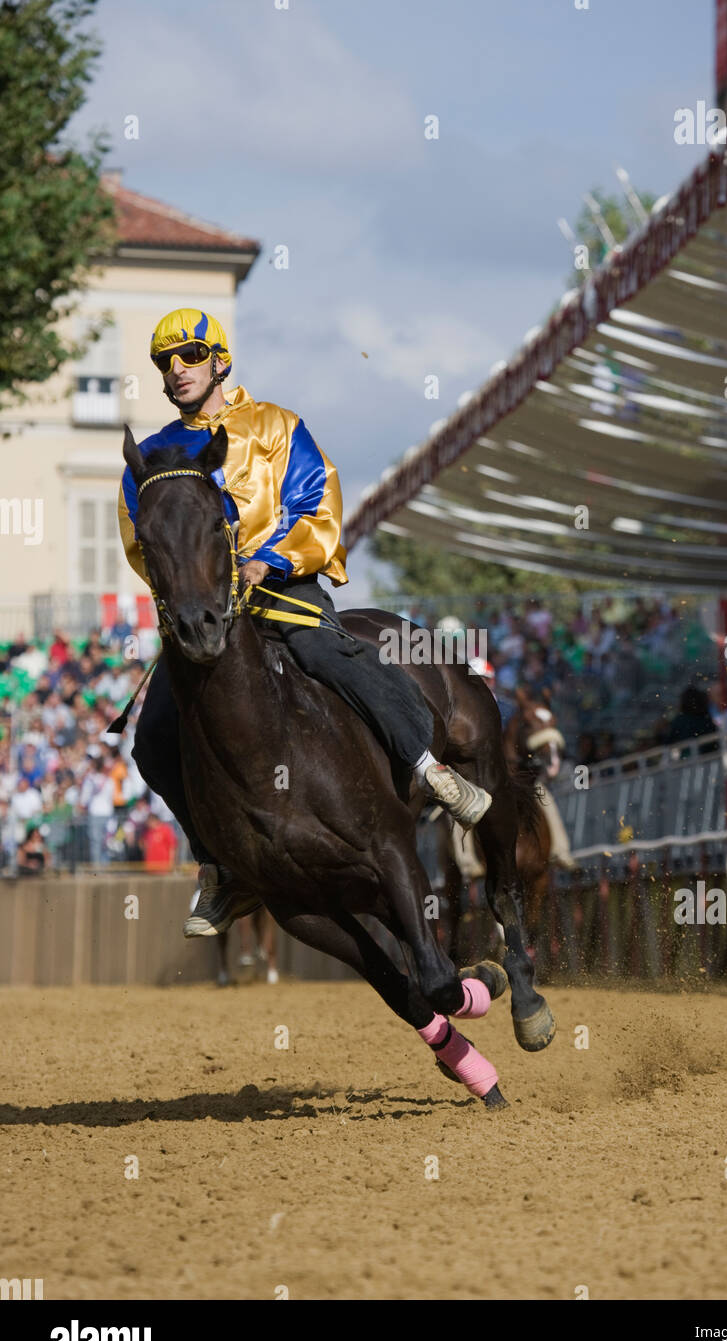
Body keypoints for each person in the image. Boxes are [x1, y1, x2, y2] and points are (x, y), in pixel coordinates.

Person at [119, 308, 492, 937]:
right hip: (208, 617)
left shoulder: (276, 425)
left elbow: (318, 507)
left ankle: (429, 767)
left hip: (284, 595)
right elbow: (143, 539)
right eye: (164, 361)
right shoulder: (153, 454)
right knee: (152, 738)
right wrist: (193, 588)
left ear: (219, 360)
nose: (175, 370)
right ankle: (219, 869)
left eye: (187, 355)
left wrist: (267, 561)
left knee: (333, 659)